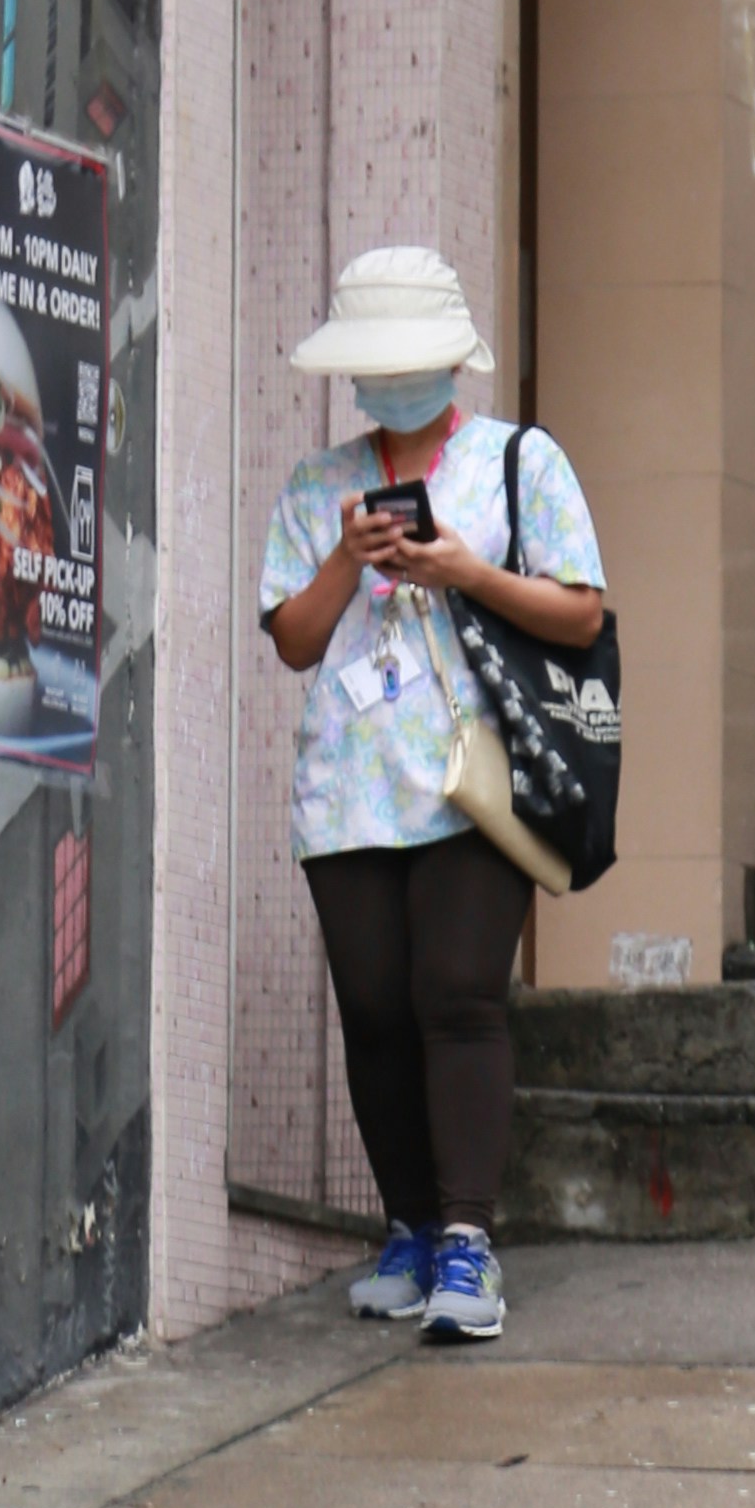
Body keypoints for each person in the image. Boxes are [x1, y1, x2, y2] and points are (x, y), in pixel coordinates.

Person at [258, 241, 609, 1347]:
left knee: (457, 989)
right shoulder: (320, 487)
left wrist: (466, 572)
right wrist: (346, 564)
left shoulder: (522, 463)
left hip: (476, 779)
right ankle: (408, 1229)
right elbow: (296, 643)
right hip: (350, 790)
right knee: (374, 1010)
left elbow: (582, 613)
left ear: (451, 362)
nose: (392, 378)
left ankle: (468, 1241)